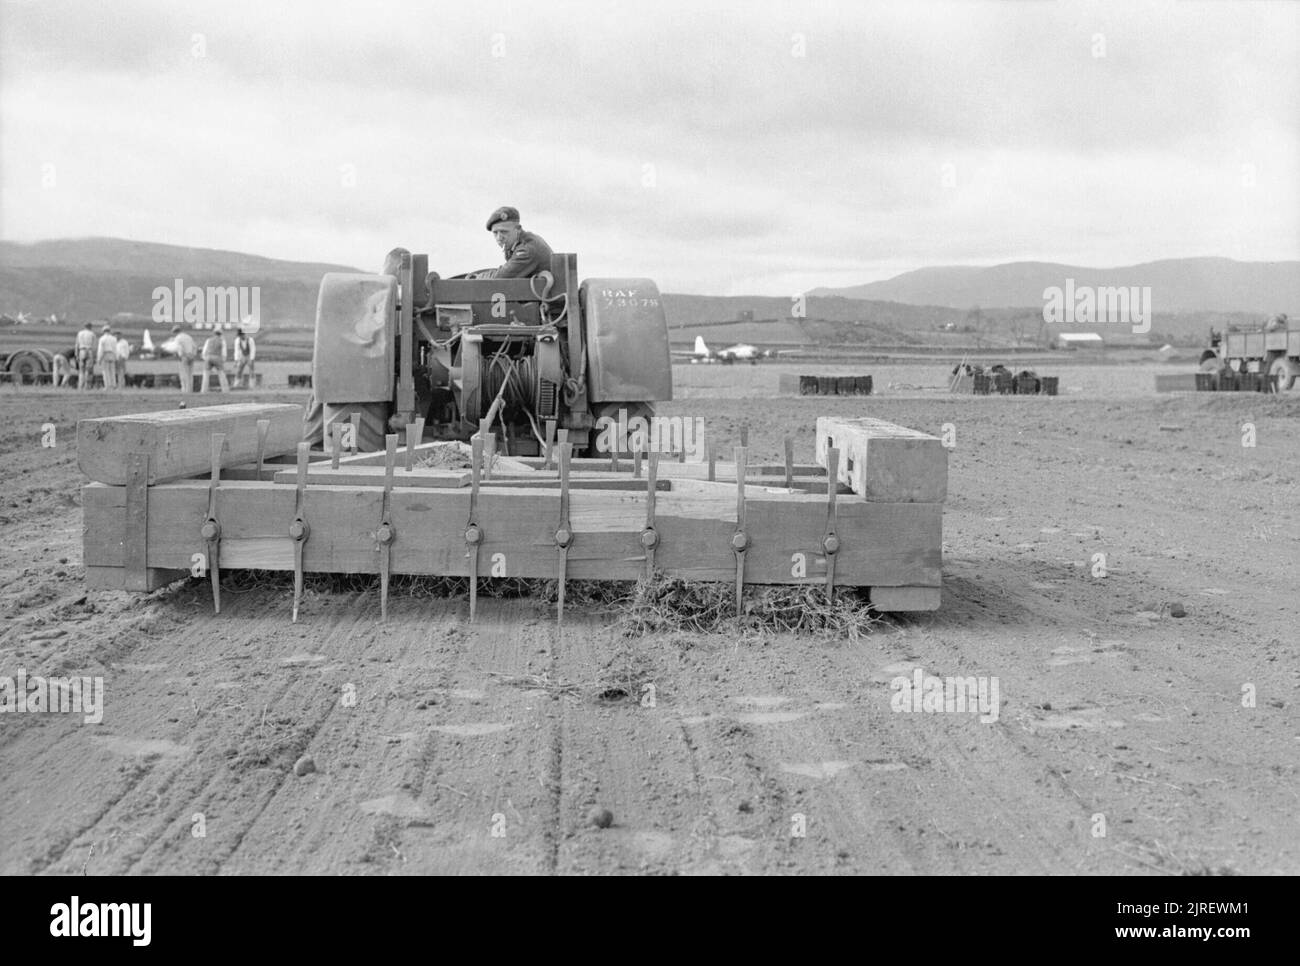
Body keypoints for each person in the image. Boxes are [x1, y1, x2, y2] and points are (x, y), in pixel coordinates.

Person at [477, 206, 554, 279]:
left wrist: (478, 277)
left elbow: (502, 277)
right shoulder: (515, 243)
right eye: (495, 233)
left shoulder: (527, 249)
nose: (499, 237)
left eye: (504, 232)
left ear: (518, 229)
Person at [171, 325, 197, 393]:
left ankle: (184, 390)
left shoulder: (178, 338)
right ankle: (190, 390)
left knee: (183, 374)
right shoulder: (188, 337)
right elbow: (194, 346)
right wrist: (193, 355)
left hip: (184, 356)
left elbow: (179, 348)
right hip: (191, 355)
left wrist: (180, 355)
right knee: (190, 374)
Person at [96, 324, 119, 390]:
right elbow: (115, 349)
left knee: (105, 371)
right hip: (112, 354)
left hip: (105, 354)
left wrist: (99, 358)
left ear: (103, 331)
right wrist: (116, 357)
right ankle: (113, 385)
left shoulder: (102, 339)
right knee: (112, 371)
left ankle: (107, 386)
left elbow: (100, 350)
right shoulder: (114, 339)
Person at [75, 322, 96, 390]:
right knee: (88, 370)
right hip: (89, 351)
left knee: (81, 370)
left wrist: (76, 354)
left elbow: (77, 345)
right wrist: (95, 356)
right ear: (90, 327)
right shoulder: (92, 334)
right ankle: (87, 386)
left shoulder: (80, 333)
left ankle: (80, 385)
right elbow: (94, 346)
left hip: (81, 351)